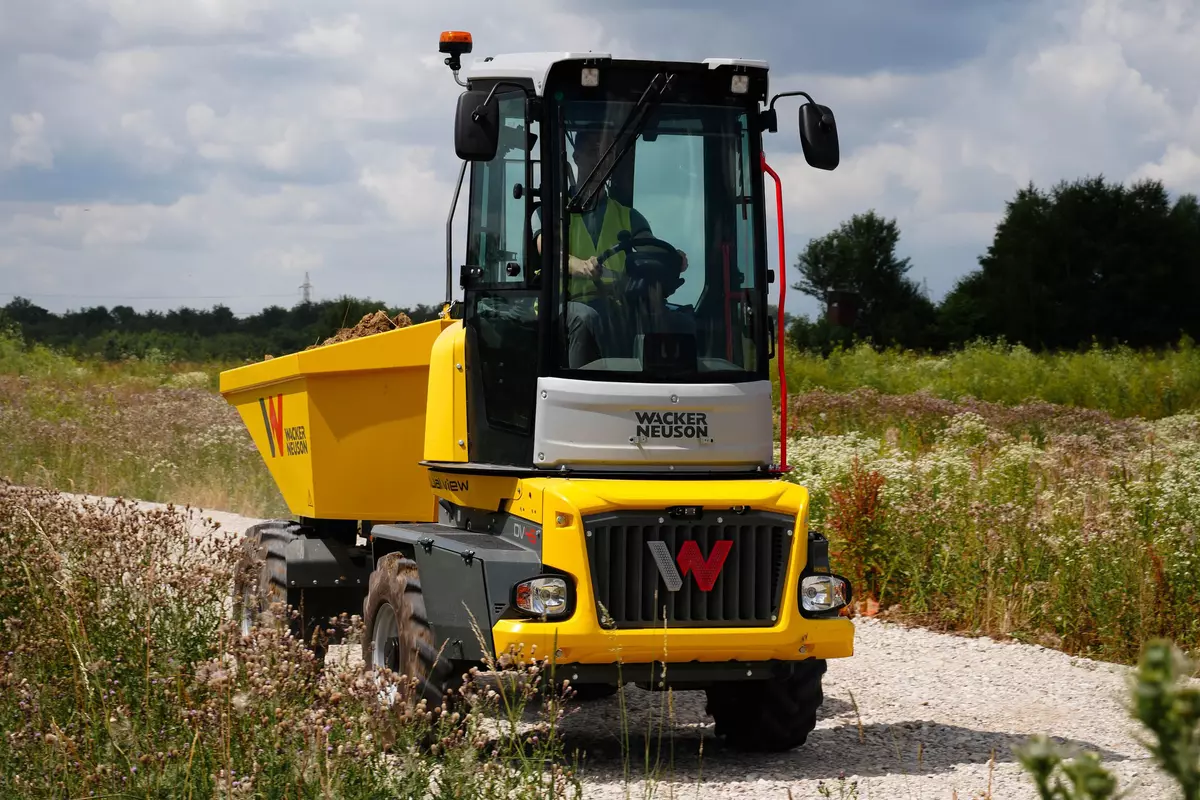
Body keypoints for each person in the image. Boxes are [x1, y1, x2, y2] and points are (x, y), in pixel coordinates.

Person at [535, 125, 688, 367]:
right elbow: (549, 250)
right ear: (576, 156)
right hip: (565, 303)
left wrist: (672, 258)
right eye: (593, 151)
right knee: (586, 319)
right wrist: (580, 266)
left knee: (677, 321)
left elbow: (650, 248)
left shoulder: (629, 216)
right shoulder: (553, 211)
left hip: (616, 303)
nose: (600, 160)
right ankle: (580, 385)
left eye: (606, 154)